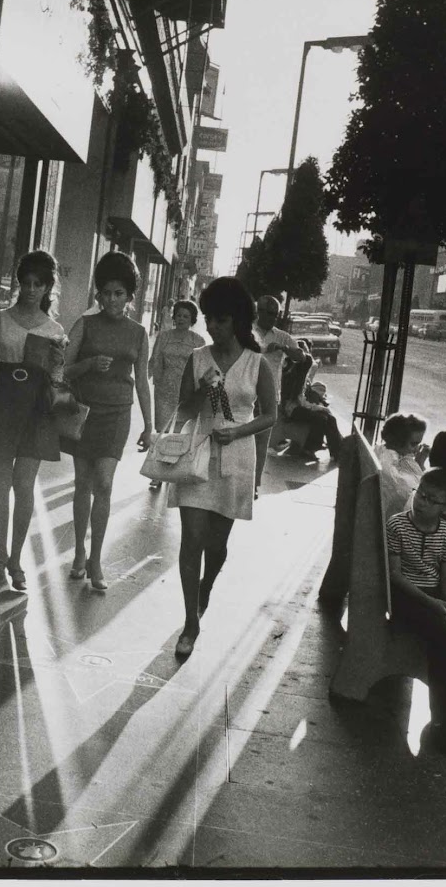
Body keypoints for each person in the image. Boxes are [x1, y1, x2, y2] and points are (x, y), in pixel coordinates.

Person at [168, 277, 280, 658]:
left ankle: (207, 586)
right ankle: (190, 623)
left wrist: (238, 431)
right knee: (191, 542)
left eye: (220, 319)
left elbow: (270, 415)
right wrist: (201, 390)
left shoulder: (256, 364)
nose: (212, 327)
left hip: (236, 458)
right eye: (209, 319)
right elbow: (183, 408)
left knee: (216, 547)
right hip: (198, 457)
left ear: (237, 320)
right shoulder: (197, 358)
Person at [0, 250, 65, 593]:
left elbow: (56, 379)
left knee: (24, 486)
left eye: (39, 284)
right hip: (2, 403)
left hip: (36, 408)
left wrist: (58, 362)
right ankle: (0, 554)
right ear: (19, 283)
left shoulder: (54, 329)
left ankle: (17, 559)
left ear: (48, 286)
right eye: (26, 282)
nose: (32, 289)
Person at [62, 252, 155, 590]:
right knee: (82, 483)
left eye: (119, 293)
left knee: (104, 483)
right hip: (84, 412)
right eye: (106, 293)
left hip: (117, 414)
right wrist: (87, 366)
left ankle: (96, 559)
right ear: (97, 295)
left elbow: (142, 381)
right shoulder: (84, 325)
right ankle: (79, 552)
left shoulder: (139, 333)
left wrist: (150, 425)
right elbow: (61, 369)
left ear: (130, 296)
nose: (112, 300)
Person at [384, 468, 446, 757]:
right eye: (421, 494)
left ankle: (445, 721)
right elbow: (395, 577)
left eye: (432, 500)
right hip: (405, 596)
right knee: (445, 638)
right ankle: (445, 726)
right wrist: (436, 607)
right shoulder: (397, 525)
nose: (421, 502)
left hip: (433, 596)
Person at [146, 298, 205, 491]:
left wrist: (200, 391)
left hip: (187, 391)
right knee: (162, 431)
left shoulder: (198, 341)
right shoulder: (164, 336)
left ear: (192, 319)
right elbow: (155, 359)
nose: (181, 319)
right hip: (164, 388)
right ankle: (157, 474)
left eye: (185, 316)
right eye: (178, 315)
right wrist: (157, 381)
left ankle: (173, 471)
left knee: (179, 434)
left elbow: (203, 367)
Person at [251, 295, 301, 492]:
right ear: (258, 312)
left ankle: (254, 483)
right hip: (244, 391)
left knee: (261, 441)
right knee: (239, 438)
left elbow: (301, 356)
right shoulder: (246, 331)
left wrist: (284, 348)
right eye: (268, 313)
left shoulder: (281, 336)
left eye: (275, 314)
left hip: (268, 396)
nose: (272, 318)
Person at [376, 412, 429, 520]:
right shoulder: (388, 464)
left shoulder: (384, 451)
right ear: (398, 440)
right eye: (413, 444)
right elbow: (411, 493)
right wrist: (420, 465)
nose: (416, 449)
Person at [287, 378, 345, 462]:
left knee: (331, 418)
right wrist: (318, 407)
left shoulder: (304, 378)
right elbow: (302, 402)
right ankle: (310, 448)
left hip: (301, 407)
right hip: (293, 408)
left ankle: (337, 451)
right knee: (321, 418)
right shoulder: (297, 379)